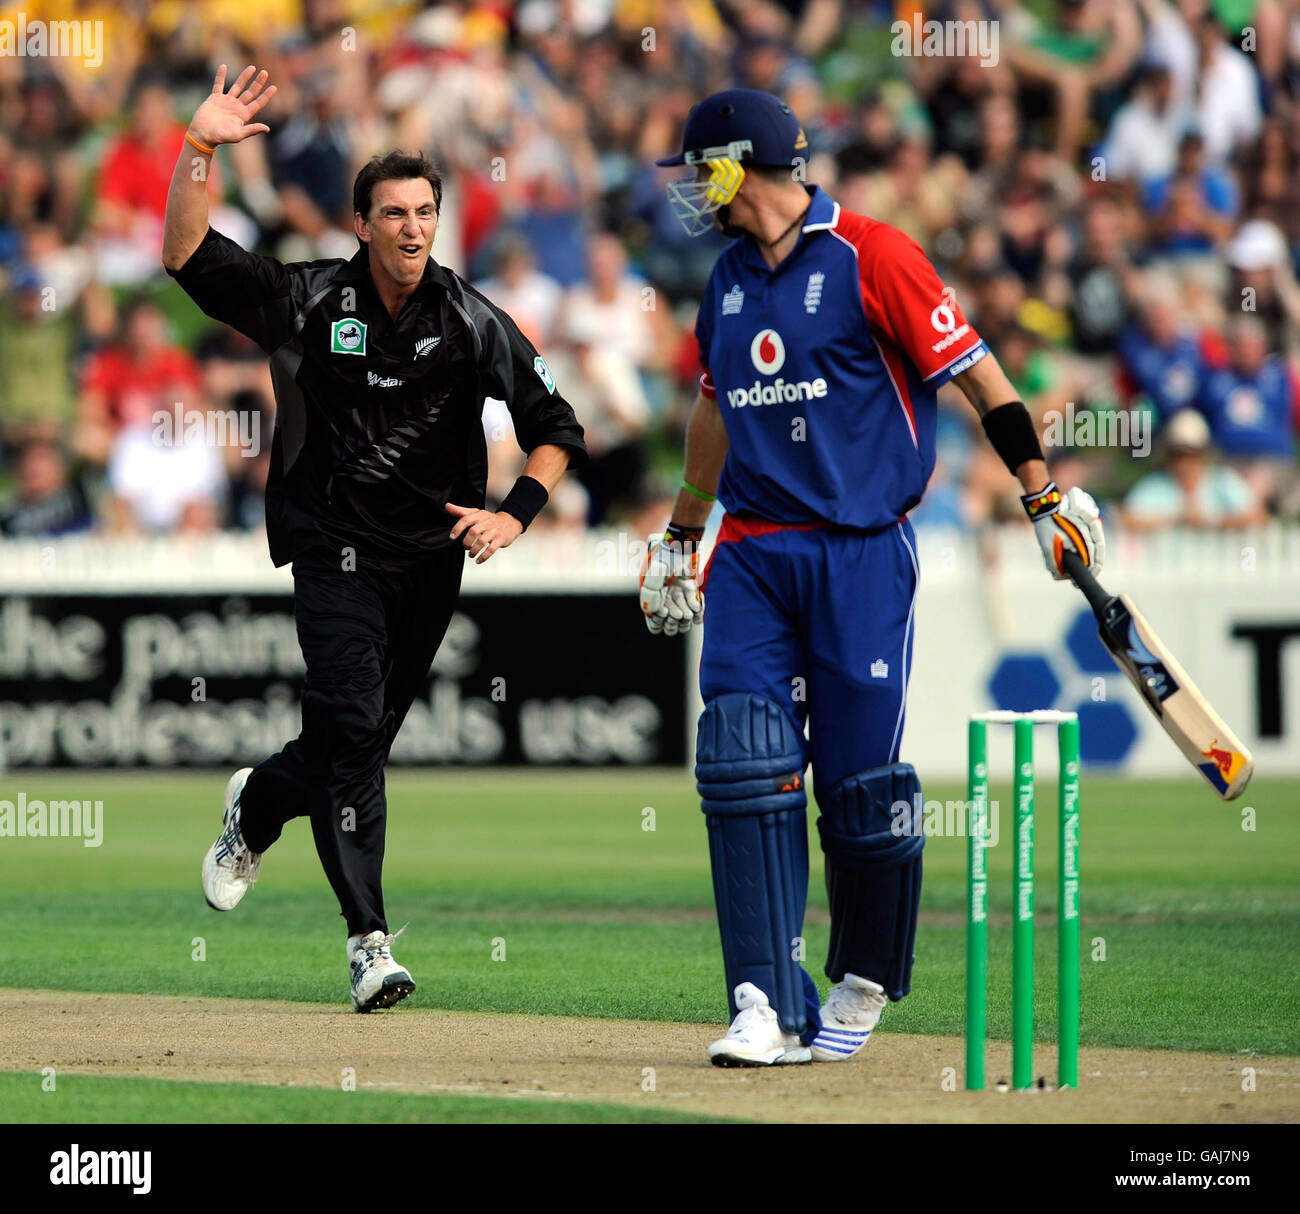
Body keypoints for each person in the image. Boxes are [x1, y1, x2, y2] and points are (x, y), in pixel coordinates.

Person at [639, 89, 1105, 1067]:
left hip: (860, 550)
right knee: (740, 760)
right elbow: (714, 413)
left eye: (700, 168)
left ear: (738, 166)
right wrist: (685, 528)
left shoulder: (873, 256)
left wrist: (1040, 494)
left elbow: (980, 376)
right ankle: (762, 996)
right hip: (754, 552)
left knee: (860, 793)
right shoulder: (722, 281)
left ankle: (861, 973)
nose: (690, 188)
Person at [163, 66, 587, 1012]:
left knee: (348, 749)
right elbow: (187, 258)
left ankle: (258, 806)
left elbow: (560, 427)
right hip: (331, 551)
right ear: (362, 224)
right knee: (354, 734)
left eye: (424, 210)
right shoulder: (311, 300)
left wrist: (513, 512)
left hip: (431, 566)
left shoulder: (474, 320)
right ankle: (368, 945)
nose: (410, 227)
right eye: (392, 212)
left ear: (438, 220)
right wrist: (198, 150)